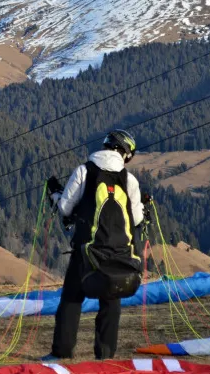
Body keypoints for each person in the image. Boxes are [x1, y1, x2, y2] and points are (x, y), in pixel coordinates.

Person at [41, 129, 146, 362]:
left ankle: (62, 353)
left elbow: (65, 208)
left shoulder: (84, 171)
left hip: (86, 250)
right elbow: (137, 218)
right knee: (111, 300)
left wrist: (56, 194)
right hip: (119, 252)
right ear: (125, 153)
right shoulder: (129, 180)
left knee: (72, 298)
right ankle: (105, 356)